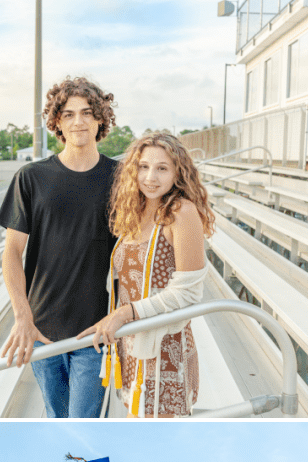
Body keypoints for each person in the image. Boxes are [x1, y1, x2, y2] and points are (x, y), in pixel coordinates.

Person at [0, 76, 119, 418]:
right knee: (57, 421)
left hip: (94, 329)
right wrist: (23, 317)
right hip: (40, 328)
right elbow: (11, 253)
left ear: (100, 119)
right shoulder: (31, 178)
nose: (78, 121)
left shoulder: (121, 178)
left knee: (84, 426)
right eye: (68, 114)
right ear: (57, 123)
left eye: (86, 112)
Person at [80, 131, 216, 418]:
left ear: (178, 173)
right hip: (131, 343)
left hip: (165, 347)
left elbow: (188, 292)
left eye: (162, 168)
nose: (150, 177)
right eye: (143, 167)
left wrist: (124, 313)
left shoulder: (182, 211)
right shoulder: (135, 211)